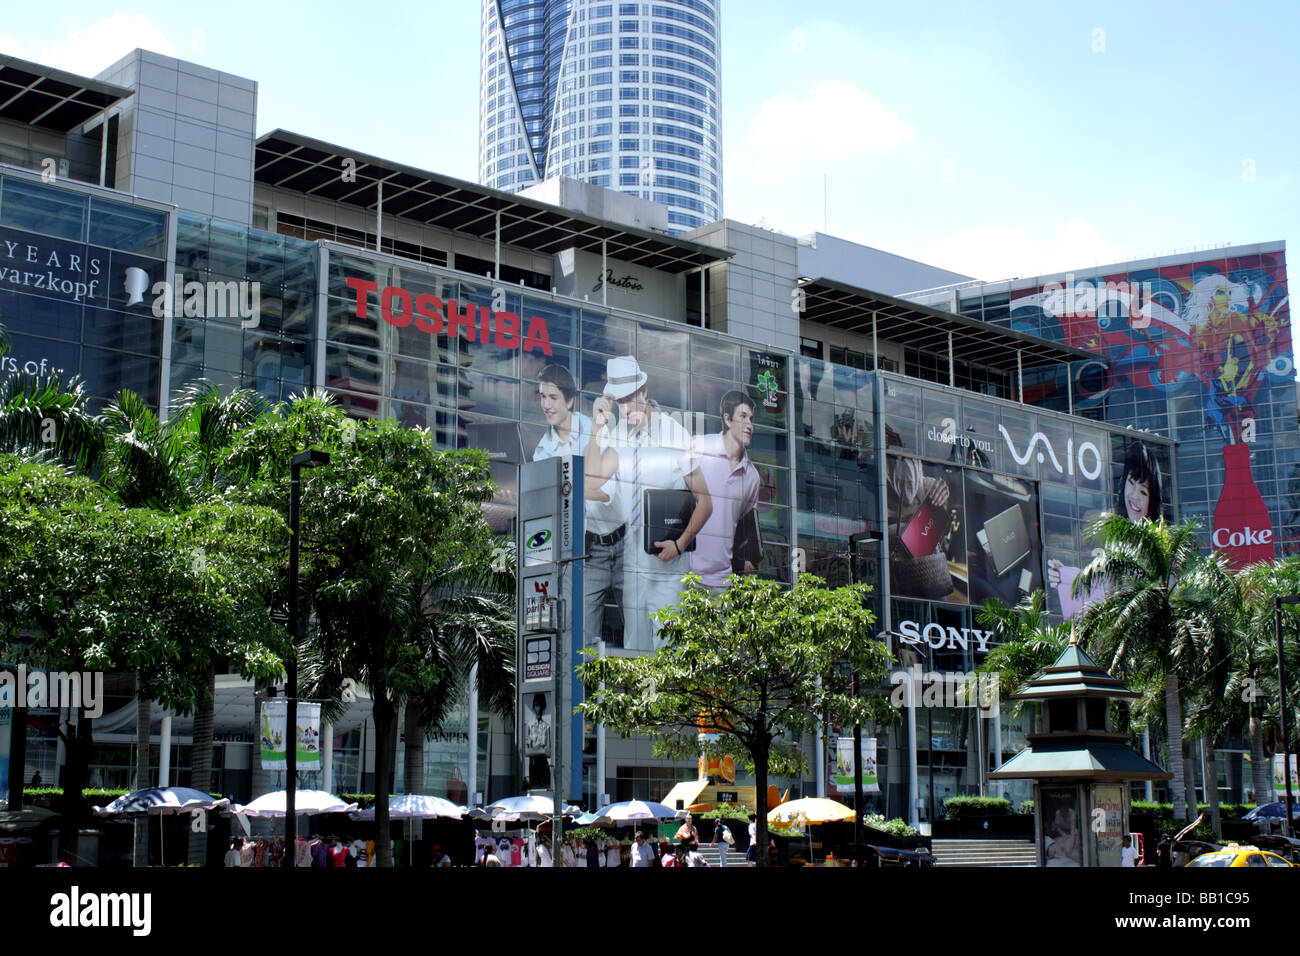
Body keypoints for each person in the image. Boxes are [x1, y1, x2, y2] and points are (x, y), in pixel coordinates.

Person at [586, 355, 713, 650]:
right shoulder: (618, 439)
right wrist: (596, 428)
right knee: (635, 652)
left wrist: (680, 544)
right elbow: (589, 484)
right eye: (620, 401)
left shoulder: (675, 434)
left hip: (668, 569)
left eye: (631, 398)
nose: (627, 407)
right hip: (632, 567)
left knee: (668, 653)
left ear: (644, 391)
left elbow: (706, 501)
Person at [1049, 441, 1164, 618]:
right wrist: (1063, 576)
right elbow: (1088, 573)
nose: (1134, 496)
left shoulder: (1157, 547)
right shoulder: (1104, 524)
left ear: (1152, 501)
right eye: (1131, 483)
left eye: (1143, 492)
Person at [689, 391, 762, 590]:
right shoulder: (699, 446)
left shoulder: (752, 477)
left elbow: (742, 525)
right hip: (685, 574)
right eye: (743, 417)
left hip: (722, 580)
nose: (749, 425)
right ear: (727, 419)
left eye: (752, 419)